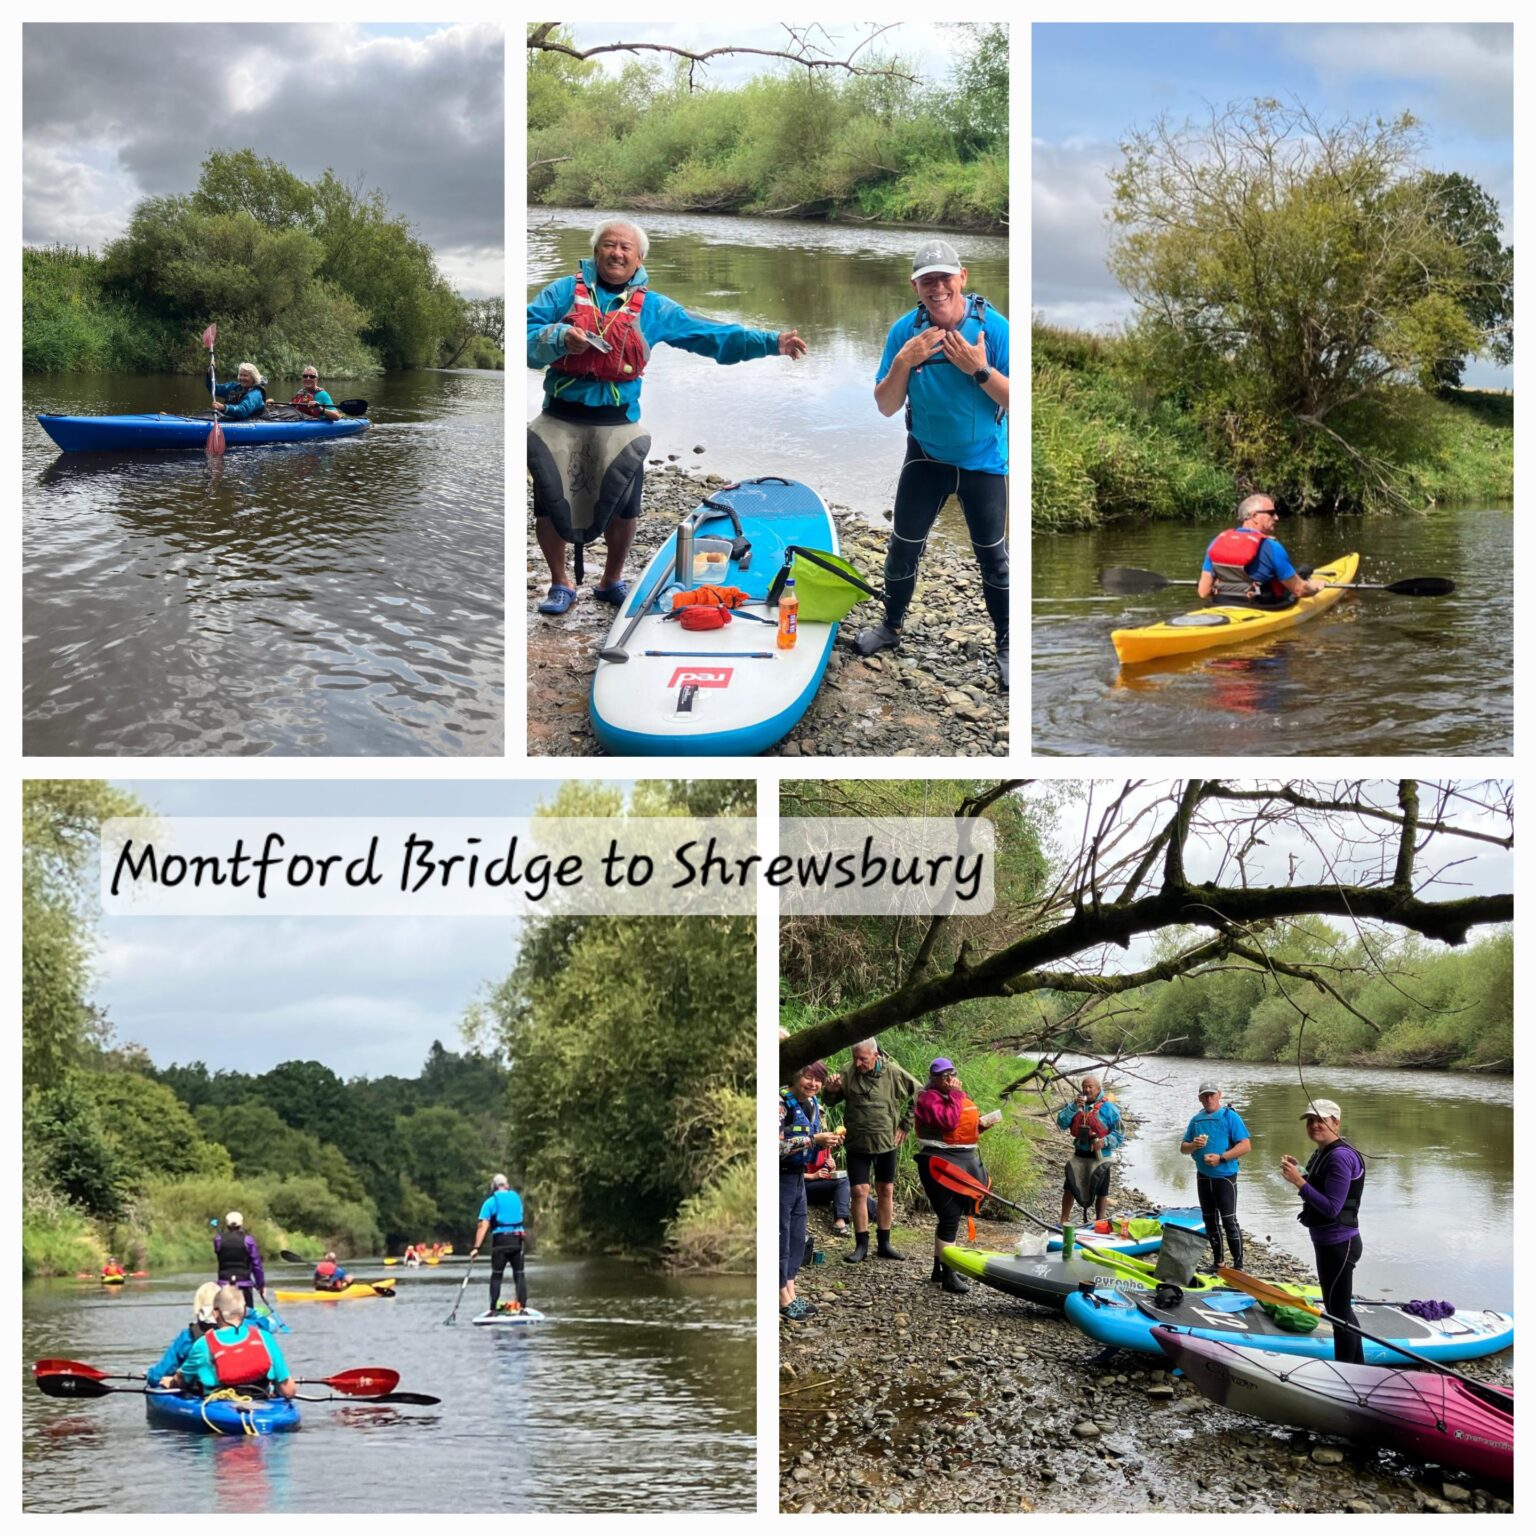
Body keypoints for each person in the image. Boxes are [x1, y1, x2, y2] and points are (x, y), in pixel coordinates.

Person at [526, 217, 808, 614]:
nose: (616, 253)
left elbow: (711, 336)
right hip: (558, 416)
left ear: (639, 257)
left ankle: (610, 581)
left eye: (626, 247)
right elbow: (523, 336)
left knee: (625, 506)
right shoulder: (561, 293)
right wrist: (557, 337)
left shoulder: (653, 308)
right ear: (595, 253)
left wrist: (771, 343)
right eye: (609, 245)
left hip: (618, 421)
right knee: (549, 503)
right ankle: (560, 583)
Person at [859, 239, 1010, 689]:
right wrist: (904, 361)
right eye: (927, 280)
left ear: (962, 277)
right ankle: (891, 626)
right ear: (915, 286)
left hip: (984, 463)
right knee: (903, 546)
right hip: (924, 457)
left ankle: (1007, 644)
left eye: (945, 277)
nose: (937, 287)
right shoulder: (905, 332)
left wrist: (979, 370)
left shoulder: (994, 330)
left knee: (994, 561)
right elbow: (886, 406)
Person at [1282, 1098, 1366, 1365]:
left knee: (1339, 1312)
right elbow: (1322, 1186)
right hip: (1328, 1242)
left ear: (1336, 1123)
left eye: (1321, 1120)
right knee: (1338, 1309)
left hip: (1340, 1244)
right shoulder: (1324, 1151)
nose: (1315, 1125)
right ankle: (1356, 1367)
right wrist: (1303, 1172)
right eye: (1310, 1121)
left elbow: (1331, 1207)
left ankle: (1349, 1370)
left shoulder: (1340, 1157)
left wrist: (1298, 1181)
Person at [822, 1038, 920, 1263]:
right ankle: (861, 1245)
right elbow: (829, 1101)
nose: (857, 1063)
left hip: (886, 1141)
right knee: (859, 1191)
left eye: (863, 1059)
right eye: (854, 1058)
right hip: (857, 1142)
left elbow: (920, 1093)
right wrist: (830, 1090)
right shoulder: (847, 1072)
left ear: (875, 1056)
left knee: (886, 1189)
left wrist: (906, 1124)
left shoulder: (893, 1072)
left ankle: (884, 1243)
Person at [913, 1058, 1003, 1295]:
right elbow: (948, 1121)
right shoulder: (927, 1098)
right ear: (933, 1078)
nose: (948, 1079)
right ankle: (948, 1275)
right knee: (950, 1217)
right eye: (943, 1076)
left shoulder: (952, 1096)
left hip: (961, 1159)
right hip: (937, 1162)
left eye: (950, 1074)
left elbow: (960, 1127)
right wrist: (956, 1094)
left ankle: (940, 1268)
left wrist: (980, 1125)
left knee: (950, 1218)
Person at [780, 1062, 842, 1319]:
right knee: (780, 1235)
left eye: (819, 1080)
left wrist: (827, 1148)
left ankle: (791, 1290)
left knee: (796, 1234)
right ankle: (781, 1298)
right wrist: (812, 1141)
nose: (814, 1084)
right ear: (795, 1076)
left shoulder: (815, 1104)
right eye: (808, 1077)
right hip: (779, 1178)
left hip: (798, 1179)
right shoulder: (780, 1103)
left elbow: (814, 1141)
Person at [1197, 494, 1325, 606]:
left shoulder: (1217, 541)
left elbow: (1203, 591)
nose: (1276, 518)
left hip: (1221, 603)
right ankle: (1305, 577)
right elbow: (1300, 590)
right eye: (1271, 513)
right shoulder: (1271, 546)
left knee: (1302, 571)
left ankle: (1302, 574)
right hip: (1260, 606)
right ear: (1254, 516)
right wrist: (1315, 589)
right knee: (1298, 582)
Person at [1179, 1081, 1252, 1270]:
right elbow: (1183, 1148)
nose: (1208, 1098)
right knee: (1210, 1220)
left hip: (1225, 1176)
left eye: (1212, 1095)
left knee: (1229, 1220)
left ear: (1219, 1095)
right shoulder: (1196, 1120)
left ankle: (1238, 1266)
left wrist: (1222, 1158)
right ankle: (1218, 1263)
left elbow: (1245, 1145)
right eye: (1204, 1095)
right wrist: (1194, 1145)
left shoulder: (1230, 1117)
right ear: (1199, 1098)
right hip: (1203, 1176)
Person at [176, 1286, 295, 1399]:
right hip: (261, 1399)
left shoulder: (203, 1344)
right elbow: (289, 1390)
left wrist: (170, 1381)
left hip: (219, 1405)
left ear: (215, 1313)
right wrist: (277, 1391)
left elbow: (181, 1380)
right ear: (244, 1311)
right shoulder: (264, 1337)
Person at [149, 1281, 275, 1386]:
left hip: (207, 1393)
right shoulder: (250, 1327)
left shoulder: (189, 1337)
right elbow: (266, 1323)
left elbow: (157, 1376)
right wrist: (244, 1310)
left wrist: (151, 1376)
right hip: (253, 1389)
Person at [1056, 1074, 1123, 1224]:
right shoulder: (1075, 1105)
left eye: (1090, 1087)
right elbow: (1061, 1123)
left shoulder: (1109, 1108)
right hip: (1079, 1154)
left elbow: (1119, 1134)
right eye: (1084, 1087)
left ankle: (1100, 1221)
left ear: (1098, 1089)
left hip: (1100, 1156)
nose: (1086, 1090)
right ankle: (1063, 1221)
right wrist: (1074, 1107)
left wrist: (1105, 1141)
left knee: (1102, 1190)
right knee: (1070, 1185)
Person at [469, 1173, 528, 1314]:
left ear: (493, 1187)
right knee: (519, 1274)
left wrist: (476, 1248)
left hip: (500, 1241)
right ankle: (522, 1307)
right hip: (517, 1241)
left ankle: (493, 1309)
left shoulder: (491, 1202)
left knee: (497, 1275)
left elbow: (483, 1226)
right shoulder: (516, 1198)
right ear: (506, 1185)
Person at [213, 1211, 265, 1313]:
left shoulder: (218, 1240)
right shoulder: (248, 1240)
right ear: (241, 1224)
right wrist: (260, 1285)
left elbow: (219, 1252)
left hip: (224, 1284)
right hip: (244, 1284)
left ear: (227, 1224)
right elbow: (256, 1265)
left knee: (225, 1314)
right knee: (247, 1314)